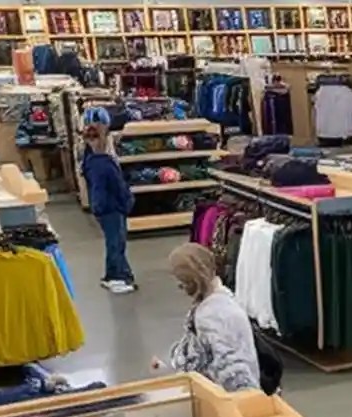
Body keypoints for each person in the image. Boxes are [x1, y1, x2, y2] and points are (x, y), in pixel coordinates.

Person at [161, 244, 262, 392]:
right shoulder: (220, 300)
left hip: (224, 396)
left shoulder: (213, 316)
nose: (179, 287)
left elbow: (233, 371)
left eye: (181, 282)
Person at [80, 110, 136, 293]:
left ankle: (120, 273)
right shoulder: (102, 164)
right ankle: (116, 276)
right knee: (116, 243)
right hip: (111, 209)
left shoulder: (92, 161)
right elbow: (114, 187)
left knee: (117, 243)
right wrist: (126, 201)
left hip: (109, 208)